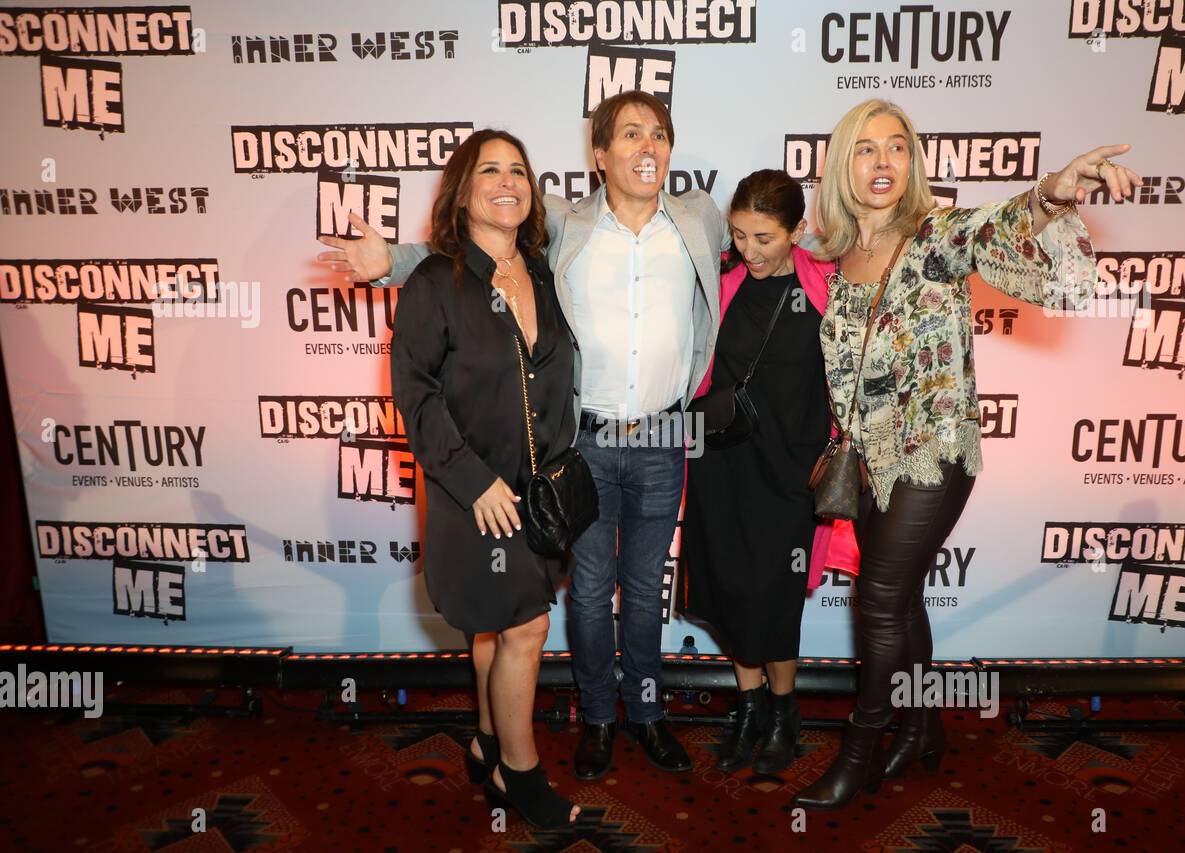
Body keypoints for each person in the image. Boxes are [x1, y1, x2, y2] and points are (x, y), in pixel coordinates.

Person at [320, 92, 727, 782]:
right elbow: (479, 244)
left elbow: (784, 237)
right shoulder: (564, 226)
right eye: (630, 134)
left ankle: (648, 716)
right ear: (599, 156)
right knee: (590, 592)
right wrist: (388, 258)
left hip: (663, 440)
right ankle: (598, 719)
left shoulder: (700, 220)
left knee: (647, 589)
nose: (647, 146)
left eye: (658, 133)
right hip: (583, 447)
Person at [792, 98, 1138, 810]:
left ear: (913, 163)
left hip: (933, 451)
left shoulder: (935, 236)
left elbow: (997, 225)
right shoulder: (836, 249)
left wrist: (1049, 192)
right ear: (841, 165)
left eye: (896, 148)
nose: (882, 162)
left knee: (879, 598)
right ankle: (922, 730)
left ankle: (860, 750)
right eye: (865, 149)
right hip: (871, 459)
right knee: (903, 596)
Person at [384, 129, 582, 828]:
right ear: (463, 191)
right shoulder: (436, 282)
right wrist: (475, 482)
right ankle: (518, 776)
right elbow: (415, 396)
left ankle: (486, 741)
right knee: (523, 628)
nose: (508, 182)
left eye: (519, 171)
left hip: (539, 493)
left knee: (497, 635)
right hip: (475, 497)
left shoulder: (545, 269)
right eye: (490, 171)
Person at [679, 169, 837, 775]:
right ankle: (747, 707)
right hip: (721, 465)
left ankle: (783, 710)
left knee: (777, 595)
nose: (751, 250)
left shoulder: (826, 285)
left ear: (797, 231)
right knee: (729, 587)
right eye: (741, 235)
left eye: (765, 238)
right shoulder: (723, 281)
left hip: (792, 473)